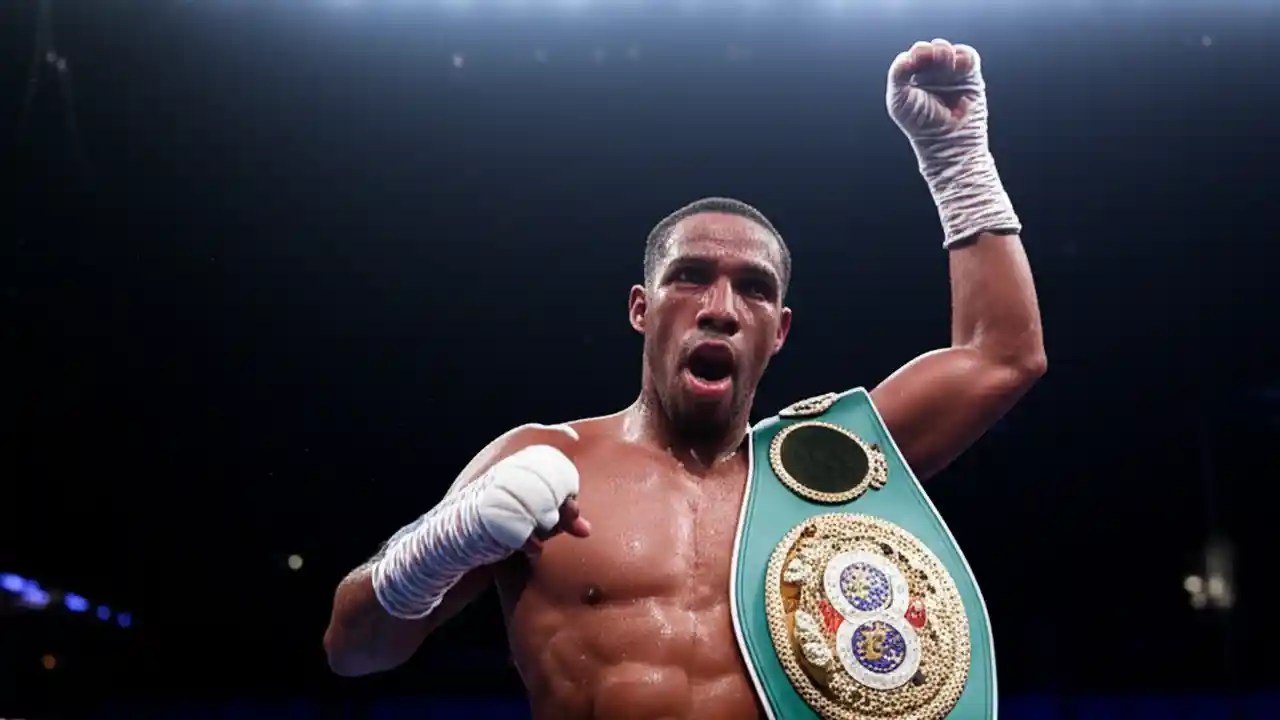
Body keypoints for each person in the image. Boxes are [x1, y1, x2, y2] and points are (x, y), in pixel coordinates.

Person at [323, 38, 1045, 719]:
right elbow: (352, 651)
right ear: (642, 308)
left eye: (754, 290)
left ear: (779, 330)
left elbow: (1001, 355)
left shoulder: (828, 469)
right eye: (690, 278)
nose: (721, 309)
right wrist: (447, 541)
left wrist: (958, 163)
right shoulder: (550, 461)